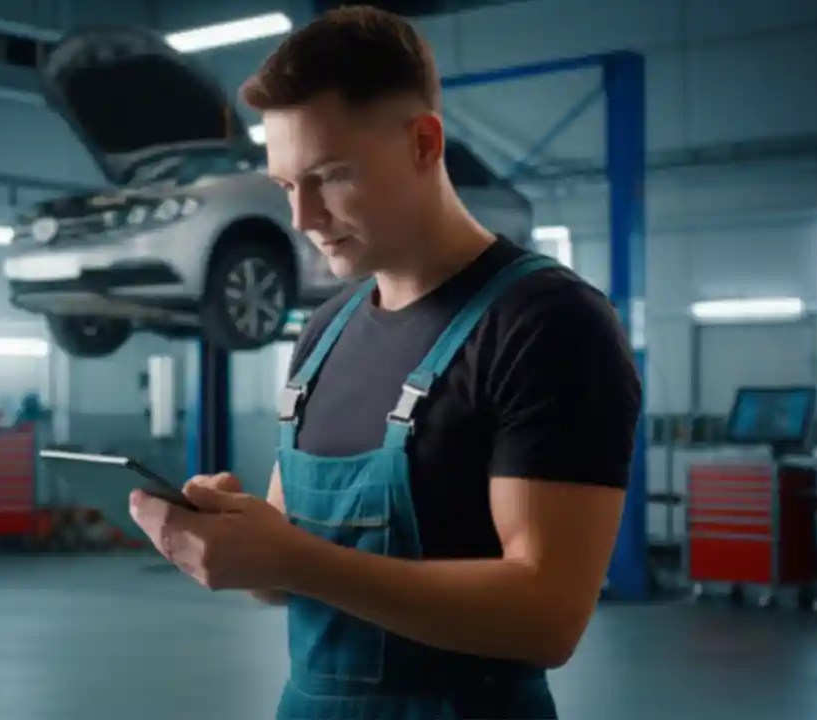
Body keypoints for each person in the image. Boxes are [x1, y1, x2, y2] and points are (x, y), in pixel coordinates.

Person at [128, 6, 641, 718]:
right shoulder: (324, 333)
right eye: (285, 186)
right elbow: (283, 573)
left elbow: (547, 617)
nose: (303, 218)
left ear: (424, 143)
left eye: (331, 175)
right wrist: (235, 540)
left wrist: (290, 559)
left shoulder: (546, 325)